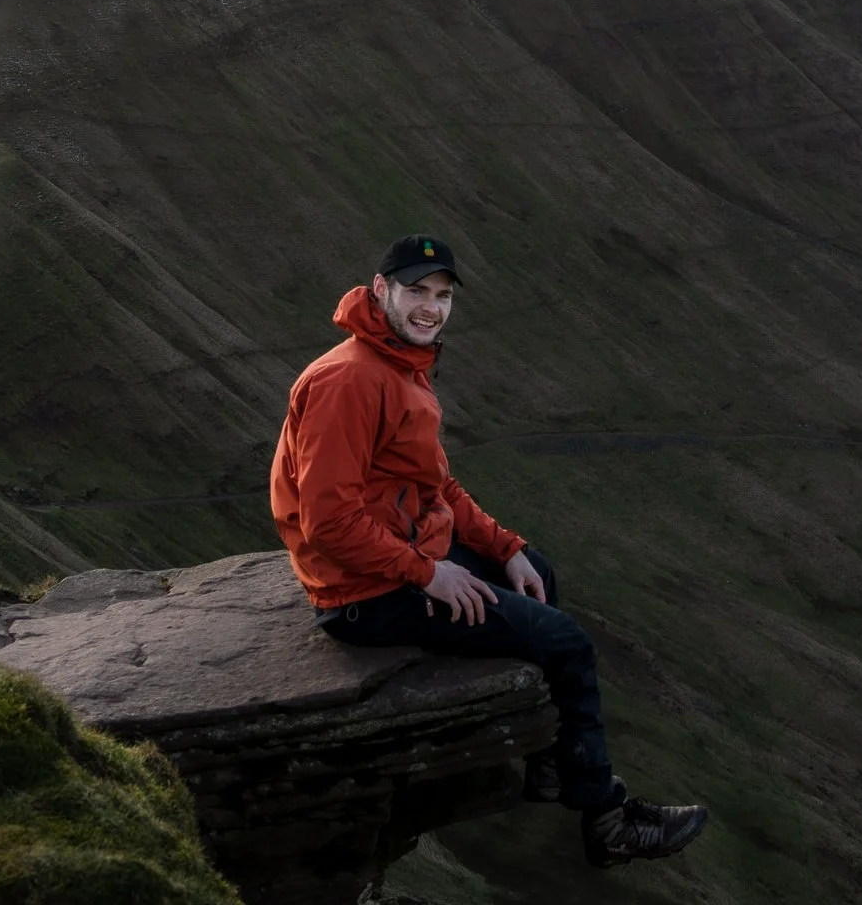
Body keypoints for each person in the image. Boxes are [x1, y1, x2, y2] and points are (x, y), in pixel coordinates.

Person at [270, 232, 707, 870]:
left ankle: (551, 769)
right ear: (380, 289)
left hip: (399, 557)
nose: (431, 307)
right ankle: (607, 819)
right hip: (361, 592)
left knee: (538, 575)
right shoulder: (350, 381)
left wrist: (506, 548)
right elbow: (329, 521)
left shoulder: (399, 366)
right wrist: (426, 576)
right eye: (416, 291)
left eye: (442, 295)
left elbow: (433, 484)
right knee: (567, 643)